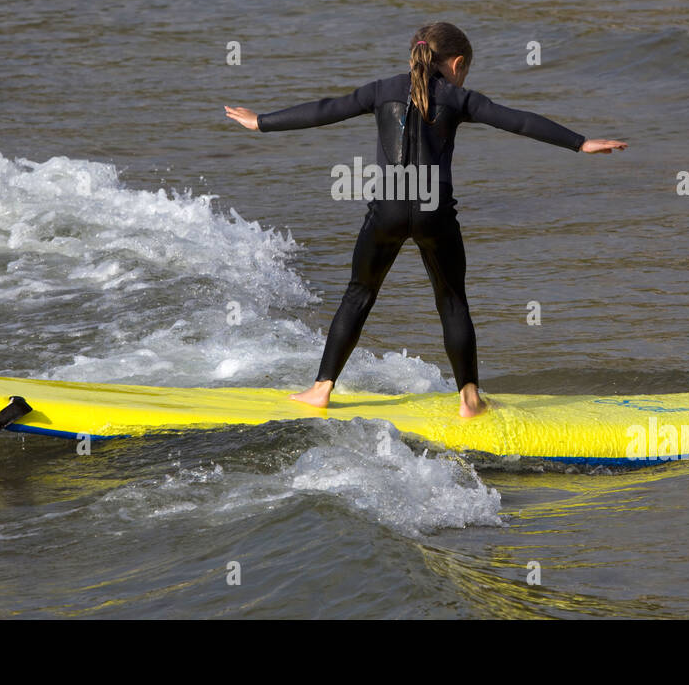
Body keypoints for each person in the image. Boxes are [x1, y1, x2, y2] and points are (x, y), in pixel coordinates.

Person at [224, 22, 627, 417]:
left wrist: (261, 121)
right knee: (452, 300)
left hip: (388, 212)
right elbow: (517, 120)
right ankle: (469, 398)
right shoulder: (458, 98)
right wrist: (580, 143)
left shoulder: (381, 91)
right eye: (464, 68)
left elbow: (325, 110)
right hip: (435, 214)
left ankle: (321, 389)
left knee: (358, 294)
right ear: (455, 63)